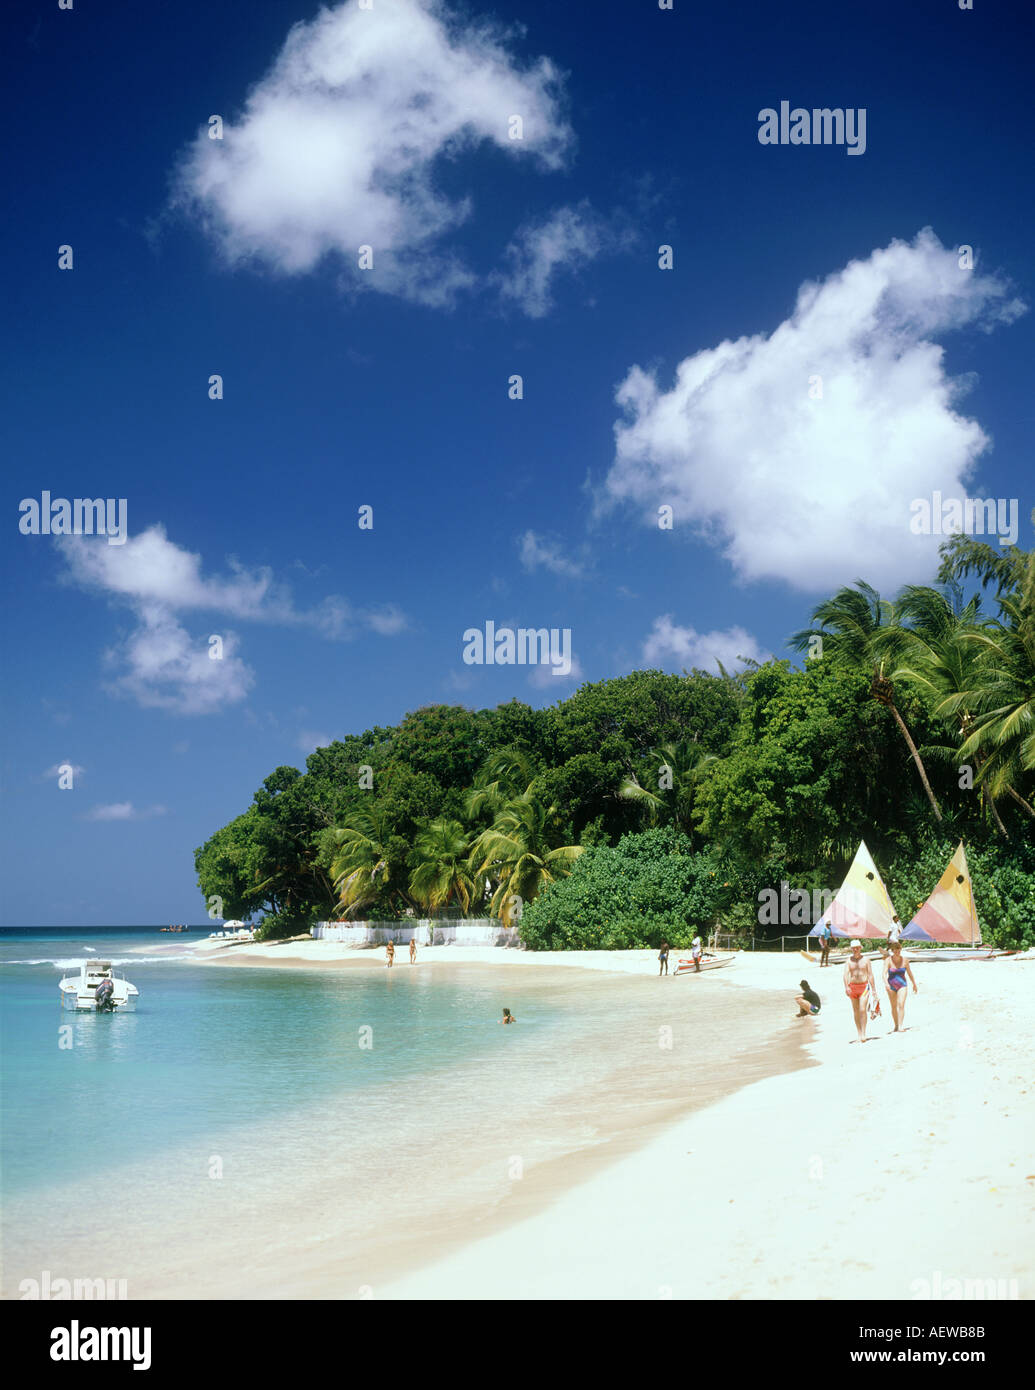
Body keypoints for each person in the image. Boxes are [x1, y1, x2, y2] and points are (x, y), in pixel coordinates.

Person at [843, 939, 877, 1043]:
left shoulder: (866, 960)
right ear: (851, 949)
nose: (855, 949)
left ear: (860, 948)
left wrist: (874, 989)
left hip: (864, 986)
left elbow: (870, 974)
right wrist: (846, 987)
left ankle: (864, 1033)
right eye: (853, 948)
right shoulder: (849, 960)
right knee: (856, 1011)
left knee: (862, 1009)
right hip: (852, 987)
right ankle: (859, 1033)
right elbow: (845, 975)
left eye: (857, 947)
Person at [883, 942, 918, 1032]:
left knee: (901, 1004)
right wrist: (886, 983)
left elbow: (910, 973)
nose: (897, 951)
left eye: (899, 949)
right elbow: (884, 973)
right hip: (891, 985)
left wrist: (914, 983)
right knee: (893, 1006)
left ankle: (901, 1026)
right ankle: (896, 1025)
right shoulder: (888, 960)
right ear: (892, 950)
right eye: (895, 949)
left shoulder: (905, 960)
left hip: (902, 984)